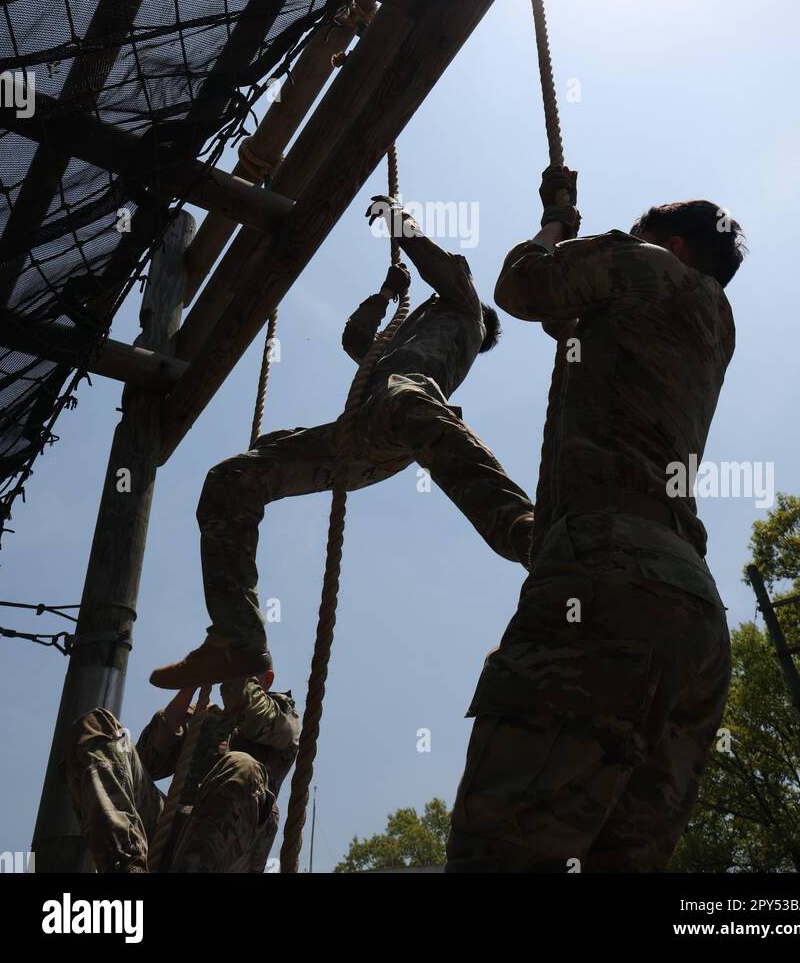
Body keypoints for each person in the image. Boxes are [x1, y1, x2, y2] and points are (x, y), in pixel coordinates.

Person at [446, 168, 746, 873]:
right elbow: (569, 321)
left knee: (502, 853)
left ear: (670, 243)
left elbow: (522, 284)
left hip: (610, 573)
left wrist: (554, 220)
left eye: (640, 233)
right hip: (692, 611)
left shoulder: (646, 266)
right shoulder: (711, 321)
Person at [150, 196, 534, 690]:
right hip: (361, 436)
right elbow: (357, 341)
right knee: (231, 478)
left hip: (403, 410)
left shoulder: (465, 312)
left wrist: (400, 219)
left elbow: (439, 264)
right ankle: (237, 636)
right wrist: (383, 296)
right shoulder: (401, 344)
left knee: (404, 397)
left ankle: (533, 538)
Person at [63, 675, 300, 873]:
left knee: (243, 766)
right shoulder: (204, 718)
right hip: (175, 834)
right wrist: (191, 682)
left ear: (267, 679)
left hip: (232, 850)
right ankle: (127, 866)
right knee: (99, 727)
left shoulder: (283, 717)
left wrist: (237, 663)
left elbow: (251, 710)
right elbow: (146, 761)